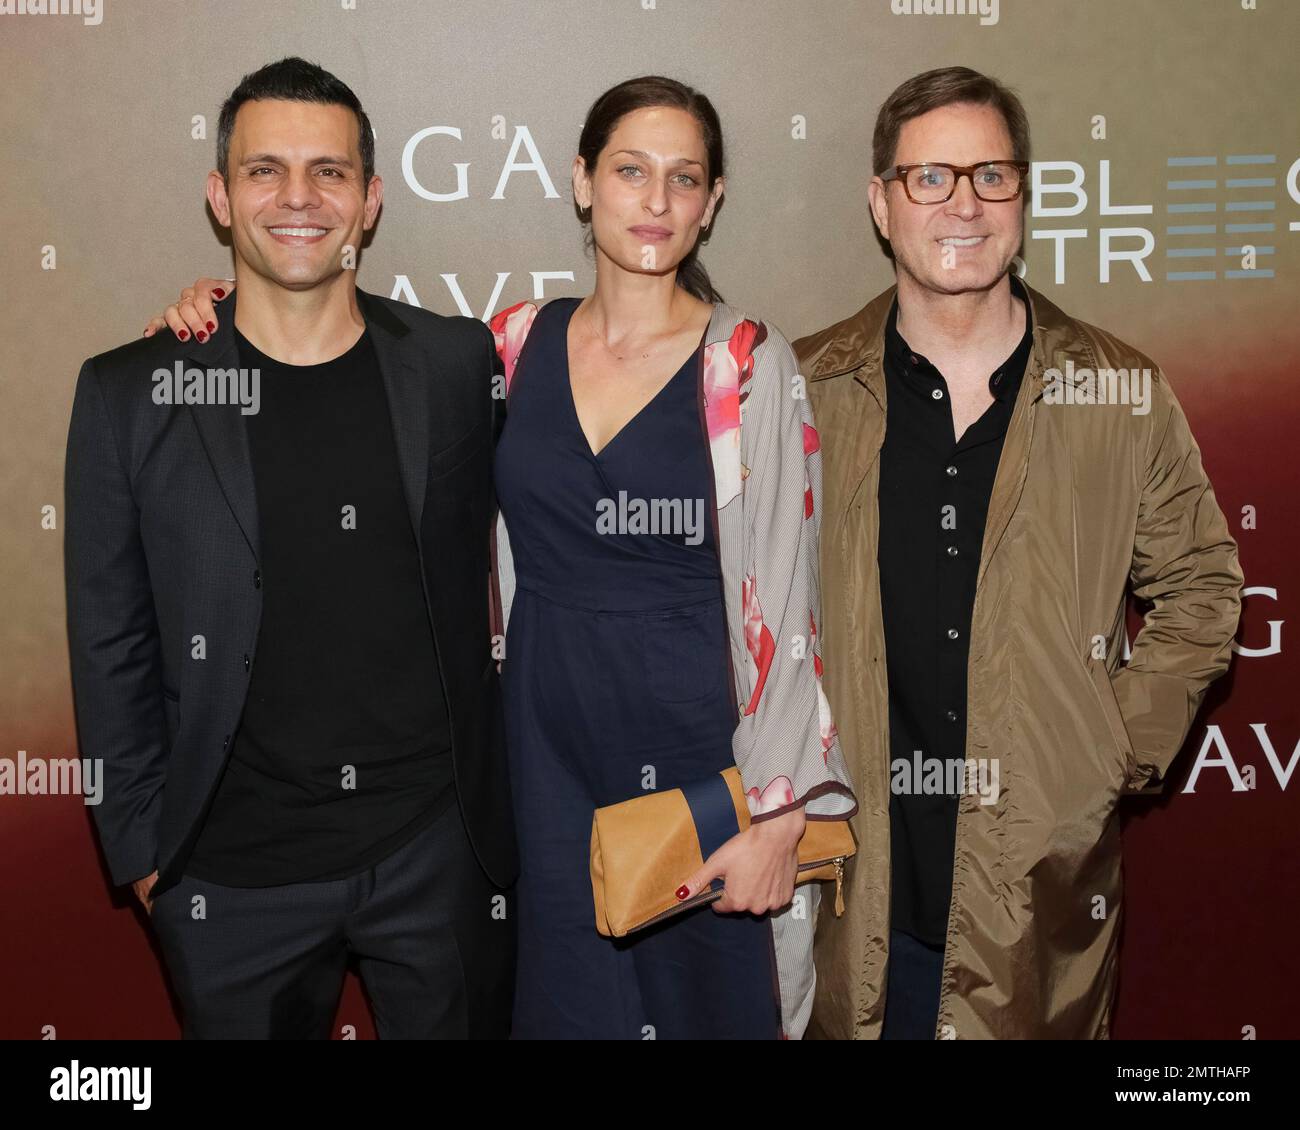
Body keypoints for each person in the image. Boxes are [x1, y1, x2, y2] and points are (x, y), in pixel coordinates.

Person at [151, 75, 857, 1040]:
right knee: (568, 1005)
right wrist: (239, 300)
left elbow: (785, 587)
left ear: (714, 200)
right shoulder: (515, 344)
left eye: (683, 178)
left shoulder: (746, 362)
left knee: (715, 1007)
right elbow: (356, 352)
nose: (655, 202)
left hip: (704, 754)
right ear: (580, 180)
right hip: (540, 752)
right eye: (628, 171)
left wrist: (778, 816)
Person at [66, 57, 515, 1039]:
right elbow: (109, 638)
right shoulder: (132, 391)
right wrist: (146, 854)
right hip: (229, 873)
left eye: (330, 172)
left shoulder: (452, 364)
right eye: (265, 170)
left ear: (371, 200)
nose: (299, 197)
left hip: (437, 856)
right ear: (220, 197)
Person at [795, 66, 1243, 1039]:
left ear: (1024, 198)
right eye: (930, 178)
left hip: (1031, 911)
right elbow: (740, 611)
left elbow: (1204, 587)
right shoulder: (806, 389)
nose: (963, 202)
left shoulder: (1116, 391)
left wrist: (1103, 746)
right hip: (848, 888)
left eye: (990, 176)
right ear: (880, 201)